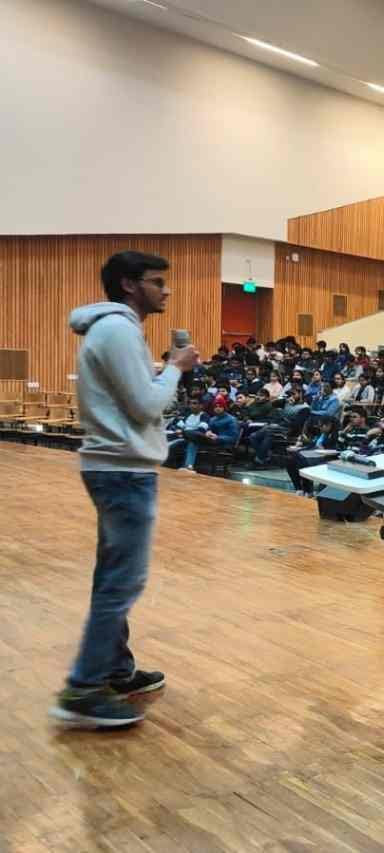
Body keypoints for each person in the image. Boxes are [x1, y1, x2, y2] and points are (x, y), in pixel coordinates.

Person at [55, 251, 200, 727]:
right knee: (123, 581)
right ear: (128, 285)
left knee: (113, 576)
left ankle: (114, 668)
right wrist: (176, 367)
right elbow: (145, 407)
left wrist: (166, 373)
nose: (167, 290)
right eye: (157, 282)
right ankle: (83, 690)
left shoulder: (116, 329)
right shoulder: (118, 330)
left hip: (117, 467)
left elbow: (139, 403)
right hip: (122, 471)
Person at [179, 398, 241, 472]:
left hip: (223, 443)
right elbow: (208, 430)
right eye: (216, 406)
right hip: (210, 440)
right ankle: (188, 466)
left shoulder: (232, 420)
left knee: (192, 435)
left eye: (220, 406)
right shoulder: (212, 419)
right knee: (193, 440)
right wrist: (208, 432)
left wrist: (218, 437)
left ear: (224, 407)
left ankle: (185, 433)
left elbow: (233, 437)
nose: (217, 408)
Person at [285, 416, 338, 494]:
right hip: (313, 454)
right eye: (318, 426)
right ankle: (298, 488)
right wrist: (301, 445)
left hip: (325, 457)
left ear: (329, 425)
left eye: (321, 426)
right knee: (289, 460)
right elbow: (313, 444)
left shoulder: (335, 435)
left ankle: (308, 491)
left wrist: (323, 448)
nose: (319, 428)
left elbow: (334, 449)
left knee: (302, 461)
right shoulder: (321, 434)